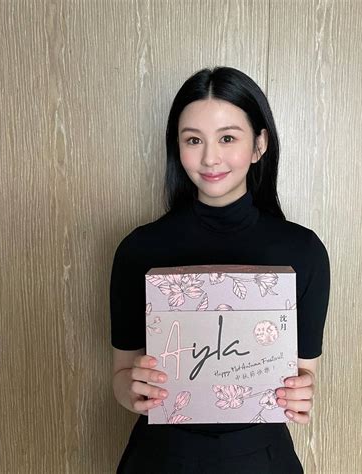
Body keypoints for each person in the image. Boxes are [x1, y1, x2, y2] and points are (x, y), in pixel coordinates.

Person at [110, 66, 330, 473]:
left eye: (227, 138)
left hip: (261, 459)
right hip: (160, 458)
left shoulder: (303, 252)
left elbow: (303, 373)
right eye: (193, 140)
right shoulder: (139, 249)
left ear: (259, 144)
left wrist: (301, 392)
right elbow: (122, 376)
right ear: (177, 147)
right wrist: (133, 389)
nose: (210, 157)